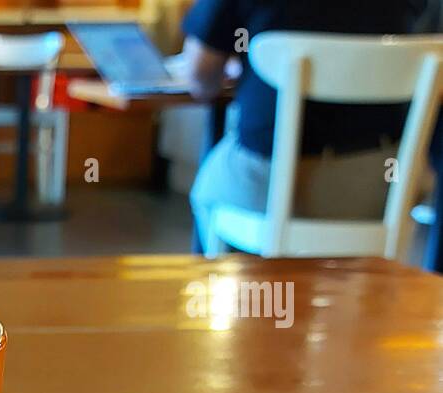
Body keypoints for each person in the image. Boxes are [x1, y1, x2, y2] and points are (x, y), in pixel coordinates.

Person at [183, 0, 430, 250]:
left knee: (209, 192)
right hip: (382, 187)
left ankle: (251, 286)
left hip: (266, 182)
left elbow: (200, 78)